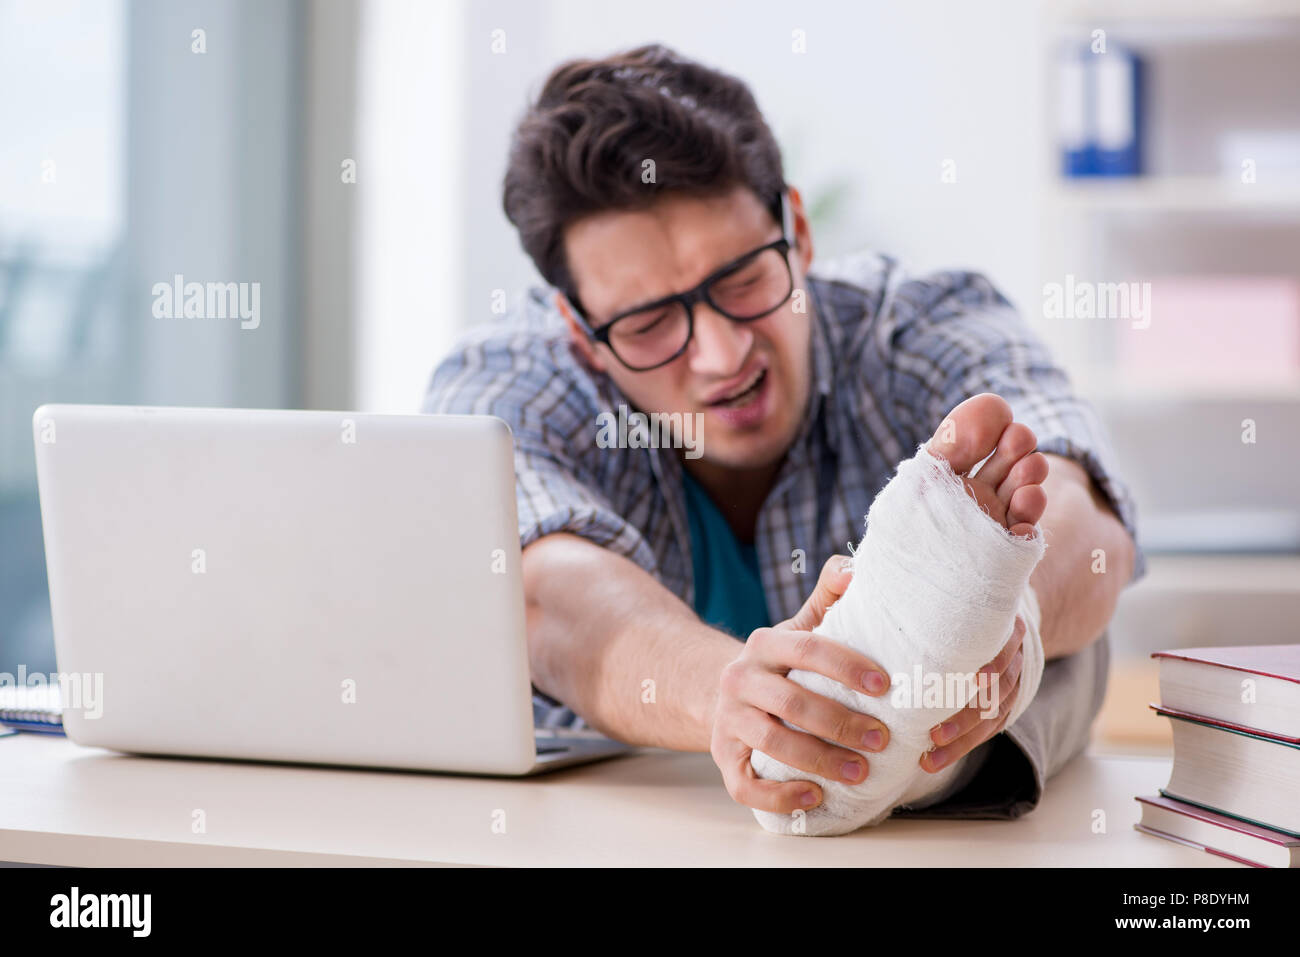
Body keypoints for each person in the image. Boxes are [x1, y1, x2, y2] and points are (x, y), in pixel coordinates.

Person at [423, 43, 1142, 823]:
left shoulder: (919, 323)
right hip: (631, 833)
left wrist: (1014, 615)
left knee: (1056, 648)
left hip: (946, 843)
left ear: (796, 229)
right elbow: (542, 593)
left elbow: (1085, 506)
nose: (724, 356)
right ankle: (891, 749)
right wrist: (742, 698)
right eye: (650, 321)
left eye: (742, 280)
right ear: (578, 327)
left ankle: (922, 749)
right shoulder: (508, 383)